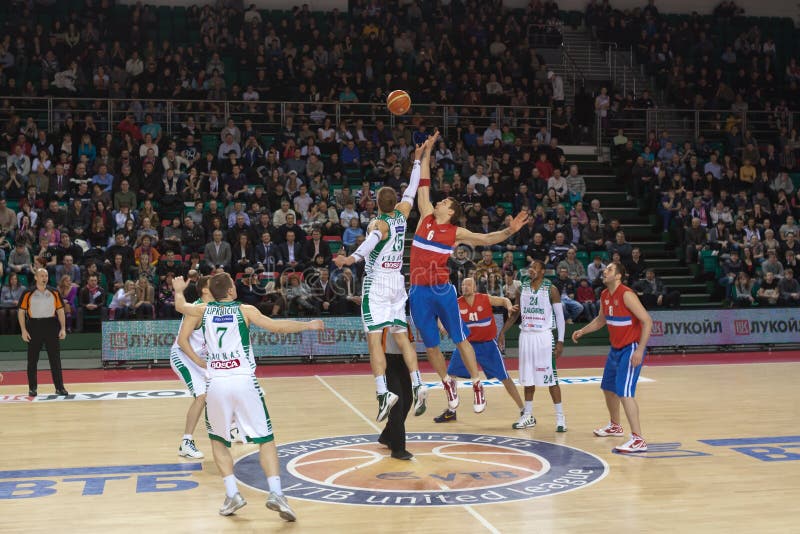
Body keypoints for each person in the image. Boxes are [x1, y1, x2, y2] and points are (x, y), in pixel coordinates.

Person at [173, 273, 323, 520]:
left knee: (219, 440)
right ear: (231, 291)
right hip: (243, 380)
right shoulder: (245, 310)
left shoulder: (203, 310)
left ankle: (232, 494)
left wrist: (179, 289)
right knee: (265, 439)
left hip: (217, 383)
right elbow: (278, 327)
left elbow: (180, 306)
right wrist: (308, 325)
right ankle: (276, 493)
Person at [409, 129, 528, 413]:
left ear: (450, 212)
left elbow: (486, 239)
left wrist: (509, 231)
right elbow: (423, 181)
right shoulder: (425, 215)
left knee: (460, 338)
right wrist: (427, 151)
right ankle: (447, 383)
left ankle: (476, 384)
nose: (439, 201)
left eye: (445, 202)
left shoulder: (456, 231)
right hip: (417, 291)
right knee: (432, 346)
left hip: (441, 289)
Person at [334, 141, 429, 422]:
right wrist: (415, 160)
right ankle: (419, 382)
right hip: (398, 283)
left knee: (374, 339)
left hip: (376, 284)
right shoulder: (402, 213)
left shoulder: (379, 224)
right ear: (394, 201)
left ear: (376, 203)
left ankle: (382, 392)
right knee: (400, 336)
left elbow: (370, 243)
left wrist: (350, 260)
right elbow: (412, 189)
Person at [572, 262, 653, 453]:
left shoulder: (626, 294)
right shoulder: (604, 295)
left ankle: (638, 439)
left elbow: (647, 320)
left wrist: (640, 350)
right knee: (608, 388)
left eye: (609, 269)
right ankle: (615, 425)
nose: (604, 271)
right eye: (605, 269)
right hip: (615, 350)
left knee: (625, 393)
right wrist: (582, 331)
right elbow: (601, 320)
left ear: (618, 276)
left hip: (630, 348)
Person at [433, 277, 525, 424]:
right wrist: (442, 325)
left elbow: (503, 300)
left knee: (505, 377)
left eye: (468, 284)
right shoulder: (457, 303)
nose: (465, 287)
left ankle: (523, 410)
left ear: (475, 287)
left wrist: (508, 307)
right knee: (451, 376)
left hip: (487, 345)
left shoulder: (485, 298)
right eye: (463, 284)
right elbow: (441, 315)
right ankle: (451, 411)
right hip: (466, 345)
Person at [502, 260, 567, 431]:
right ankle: (528, 416)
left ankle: (560, 419)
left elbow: (560, 317)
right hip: (526, 337)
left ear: (543, 271)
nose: (531, 269)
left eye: (535, 267)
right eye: (529, 267)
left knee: (551, 379)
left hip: (544, 337)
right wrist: (502, 332)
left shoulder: (551, 289)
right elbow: (515, 315)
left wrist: (560, 341)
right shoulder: (521, 288)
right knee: (528, 379)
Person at [170, 275, 212, 460]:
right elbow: (182, 341)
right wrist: (200, 362)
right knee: (201, 395)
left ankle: (231, 428)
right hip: (183, 355)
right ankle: (186, 443)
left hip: (200, 358)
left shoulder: (215, 308)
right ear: (204, 289)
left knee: (222, 389)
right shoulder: (195, 310)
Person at [17, 268, 68, 397]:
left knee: (55, 359)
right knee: (32, 360)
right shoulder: (28, 292)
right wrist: (23, 330)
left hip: (51, 325)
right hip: (34, 326)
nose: (44, 278)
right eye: (41, 275)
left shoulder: (54, 292)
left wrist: (62, 328)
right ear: (36, 277)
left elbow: (60, 310)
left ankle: (59, 387)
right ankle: (32, 388)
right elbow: (21, 312)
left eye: (46, 275)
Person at [377, 328, 415, 460]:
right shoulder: (380, 318)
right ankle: (398, 449)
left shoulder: (401, 317)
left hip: (403, 360)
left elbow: (410, 342)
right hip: (387, 360)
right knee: (396, 404)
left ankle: (387, 436)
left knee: (408, 399)